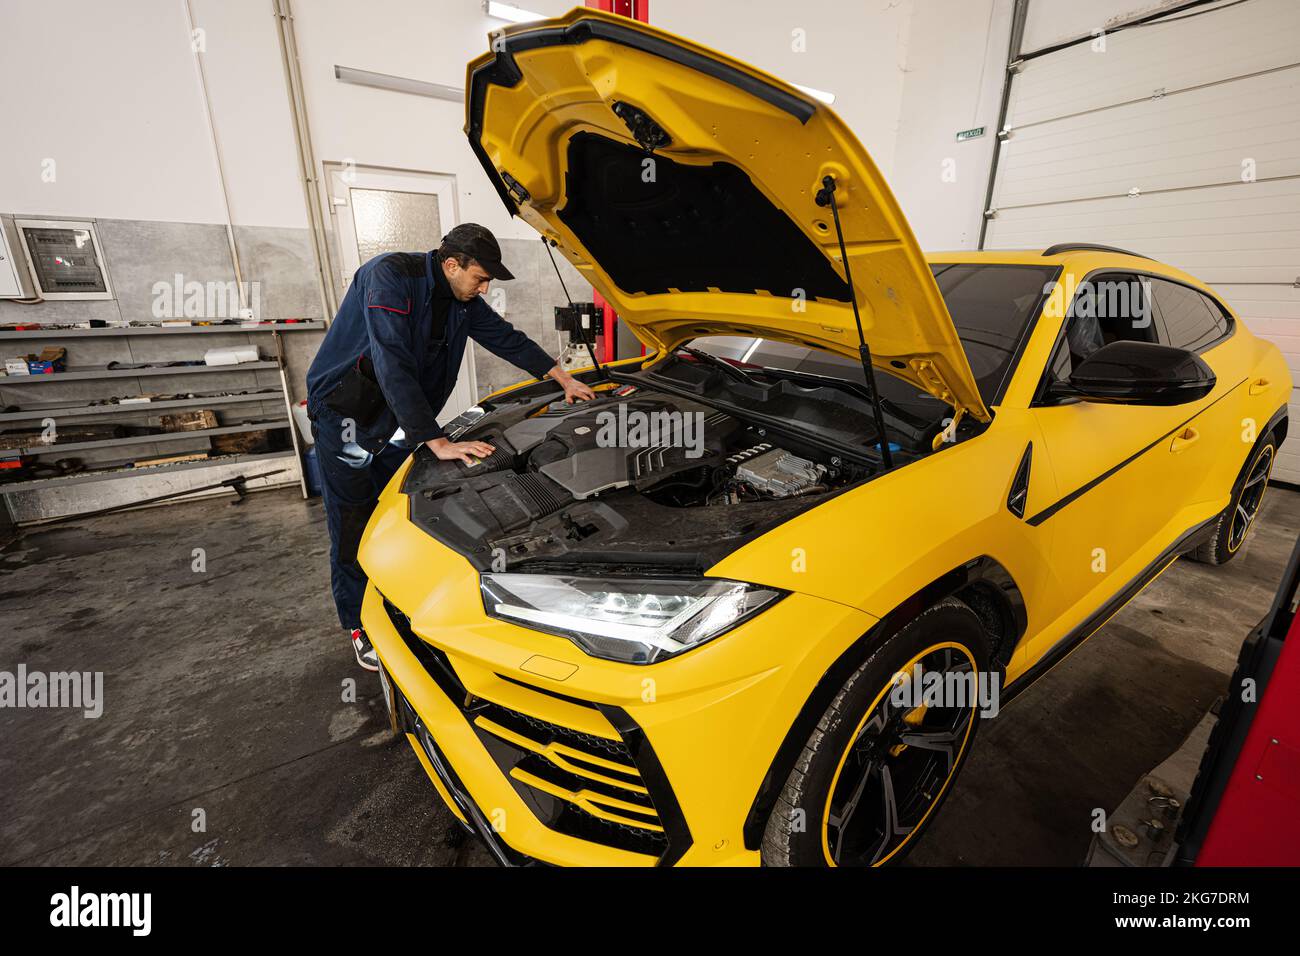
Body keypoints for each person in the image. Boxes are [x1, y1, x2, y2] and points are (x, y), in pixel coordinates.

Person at [305, 223, 595, 669]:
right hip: (347, 415)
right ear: (451, 264)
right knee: (352, 521)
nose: (484, 288)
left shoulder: (463, 302)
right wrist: (433, 438)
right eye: (480, 278)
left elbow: (506, 339)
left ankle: (397, 600)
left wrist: (564, 379)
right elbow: (391, 359)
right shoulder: (391, 276)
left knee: (399, 511)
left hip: (398, 417)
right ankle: (358, 624)